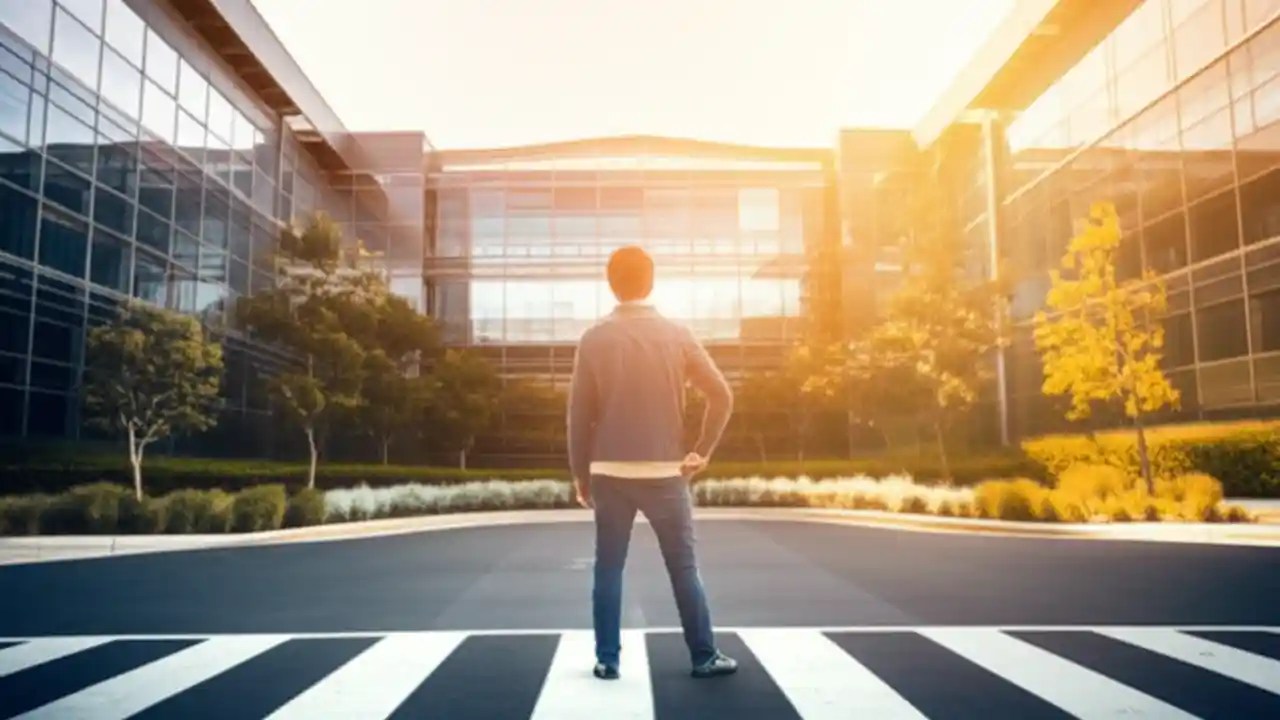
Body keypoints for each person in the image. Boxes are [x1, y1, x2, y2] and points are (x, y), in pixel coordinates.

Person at [567, 245, 737, 681]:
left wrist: (580, 474)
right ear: (652, 281)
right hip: (666, 473)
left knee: (608, 567)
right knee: (682, 566)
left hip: (608, 471)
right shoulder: (677, 334)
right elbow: (721, 395)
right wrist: (702, 449)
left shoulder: (593, 338)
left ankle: (608, 659)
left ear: (611, 284)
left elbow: (578, 414)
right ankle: (703, 655)